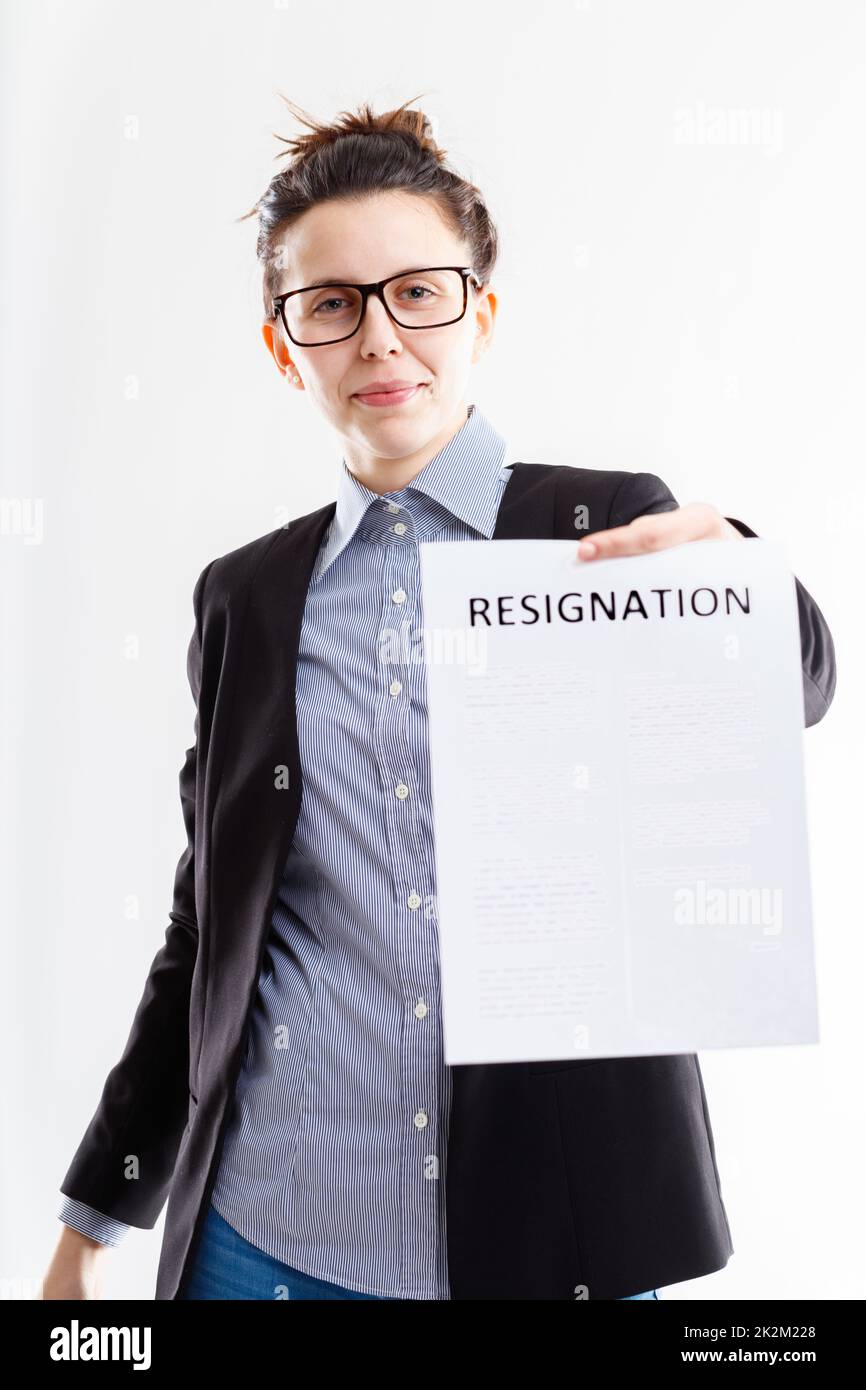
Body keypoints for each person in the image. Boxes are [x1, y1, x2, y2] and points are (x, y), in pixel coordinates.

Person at [43, 96, 836, 1302]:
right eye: (330, 305)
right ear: (282, 345)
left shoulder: (608, 521)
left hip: (550, 1233)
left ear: (480, 311)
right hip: (263, 1241)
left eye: (418, 290)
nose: (379, 340)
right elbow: (208, 926)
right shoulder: (245, 595)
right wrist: (92, 1216)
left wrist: (737, 570)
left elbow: (793, 694)